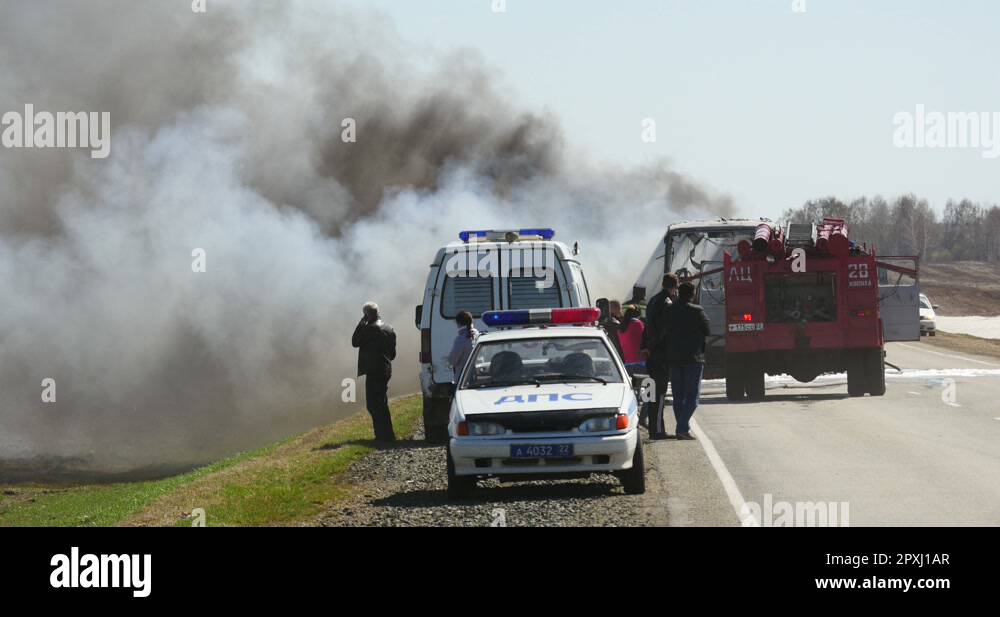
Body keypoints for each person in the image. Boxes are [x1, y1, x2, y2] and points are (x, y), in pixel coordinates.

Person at [662, 282, 711, 440]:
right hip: (693, 358)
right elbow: (707, 330)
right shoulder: (697, 311)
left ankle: (682, 428)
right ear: (692, 294)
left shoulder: (670, 310)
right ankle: (682, 428)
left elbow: (665, 329)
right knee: (692, 397)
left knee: (678, 396)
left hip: (674, 358)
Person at [351, 301, 397, 442]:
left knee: (373, 404)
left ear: (366, 315)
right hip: (385, 369)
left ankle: (383, 436)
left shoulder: (368, 329)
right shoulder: (389, 328)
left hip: (374, 370)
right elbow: (393, 354)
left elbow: (354, 342)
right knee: (381, 402)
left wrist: (360, 323)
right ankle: (386, 435)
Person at [640, 274, 679, 439]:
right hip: (660, 353)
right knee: (660, 392)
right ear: (674, 286)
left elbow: (647, 326)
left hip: (651, 352)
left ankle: (654, 428)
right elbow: (664, 329)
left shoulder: (653, 300)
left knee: (652, 390)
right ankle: (657, 430)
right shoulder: (667, 303)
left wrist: (646, 346)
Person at [448, 311, 479, 383]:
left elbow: (452, 360)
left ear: (459, 323)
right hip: (478, 376)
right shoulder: (478, 335)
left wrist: (448, 359)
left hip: (463, 378)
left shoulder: (461, 339)